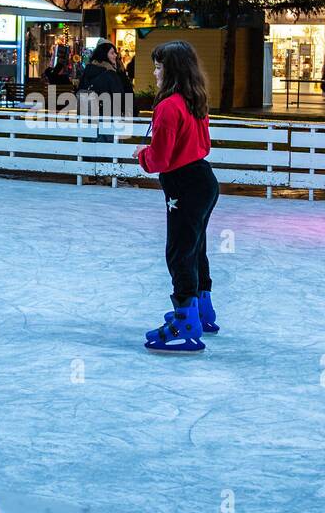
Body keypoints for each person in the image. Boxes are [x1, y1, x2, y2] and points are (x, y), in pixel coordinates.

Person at [132, 41, 219, 354]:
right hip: (204, 180)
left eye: (158, 67)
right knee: (195, 248)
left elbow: (162, 158)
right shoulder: (195, 99)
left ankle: (185, 321)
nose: (155, 73)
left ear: (172, 70)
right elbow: (204, 145)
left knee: (179, 251)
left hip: (184, 186)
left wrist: (143, 155)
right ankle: (202, 310)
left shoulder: (169, 106)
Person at [76, 41, 133, 121]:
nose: (115, 55)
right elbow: (119, 96)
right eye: (112, 53)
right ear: (104, 55)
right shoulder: (110, 73)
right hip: (108, 117)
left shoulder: (88, 70)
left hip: (87, 117)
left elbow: (80, 90)